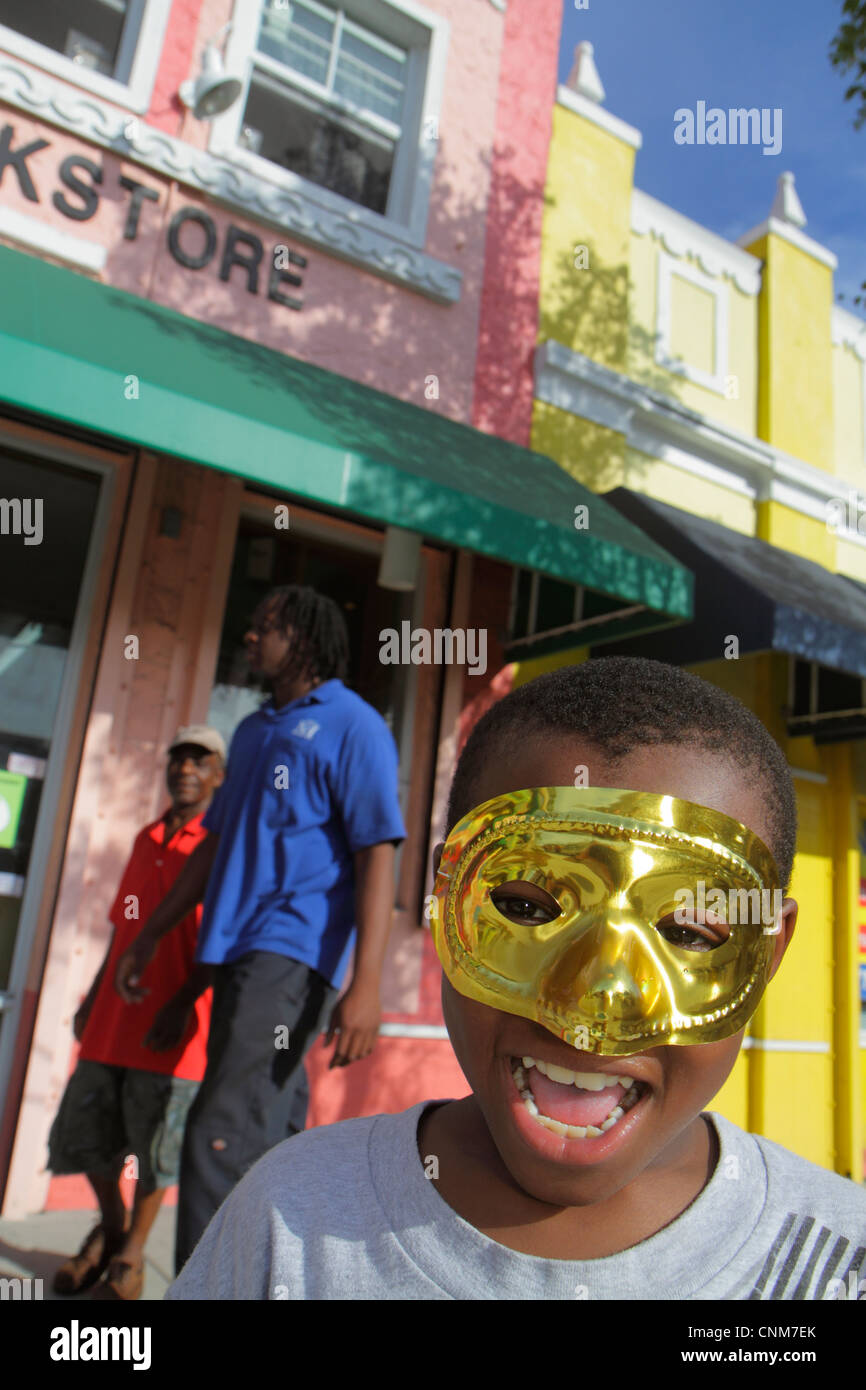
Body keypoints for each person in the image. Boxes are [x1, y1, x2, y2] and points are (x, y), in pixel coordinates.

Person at [164, 656, 866, 1301]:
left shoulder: (836, 1263)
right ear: (446, 902)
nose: (594, 1002)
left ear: (768, 955)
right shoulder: (292, 1214)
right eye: (525, 908)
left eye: (686, 932)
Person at [115, 585, 406, 1274]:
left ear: (304, 637)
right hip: (239, 958)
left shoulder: (353, 724)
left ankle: (207, 1289)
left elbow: (378, 854)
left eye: (264, 627)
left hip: (293, 952)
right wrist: (153, 935)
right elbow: (213, 854)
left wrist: (365, 986)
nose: (250, 638)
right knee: (267, 1136)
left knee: (218, 1135)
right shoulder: (250, 732)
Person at [48, 727, 225, 1300]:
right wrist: (95, 992)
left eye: (200, 760)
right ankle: (112, 1225)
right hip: (113, 1023)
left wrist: (182, 1001)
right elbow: (123, 928)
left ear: (219, 776)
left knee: (155, 1153)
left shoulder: (219, 844)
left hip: (171, 1029)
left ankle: (129, 1257)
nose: (185, 769)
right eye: (177, 758)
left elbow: (223, 939)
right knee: (81, 1136)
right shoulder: (146, 836)